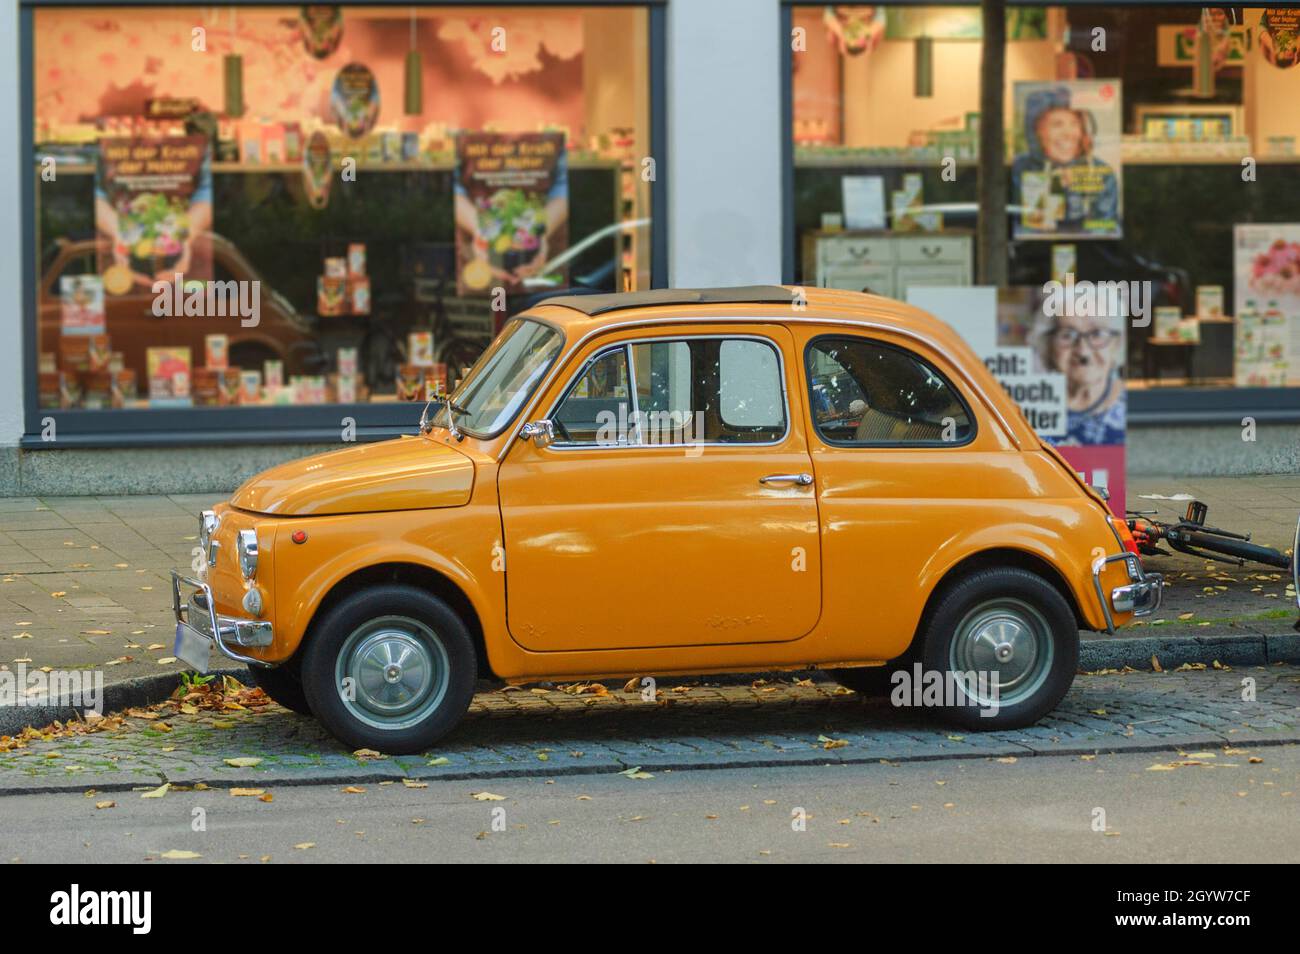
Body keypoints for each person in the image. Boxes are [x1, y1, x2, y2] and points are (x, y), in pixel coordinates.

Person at [1011, 86, 1119, 237]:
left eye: (1074, 123)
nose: (1068, 134)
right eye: (1057, 124)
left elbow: (1106, 228)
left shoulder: (1101, 172)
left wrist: (1075, 189)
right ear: (1036, 131)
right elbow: (1018, 224)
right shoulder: (1021, 168)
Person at [1036, 304, 1125, 446]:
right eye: (1067, 335)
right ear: (1048, 345)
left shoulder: (1126, 405)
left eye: (1096, 334)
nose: (1083, 351)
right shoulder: (1031, 402)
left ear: (1116, 344)